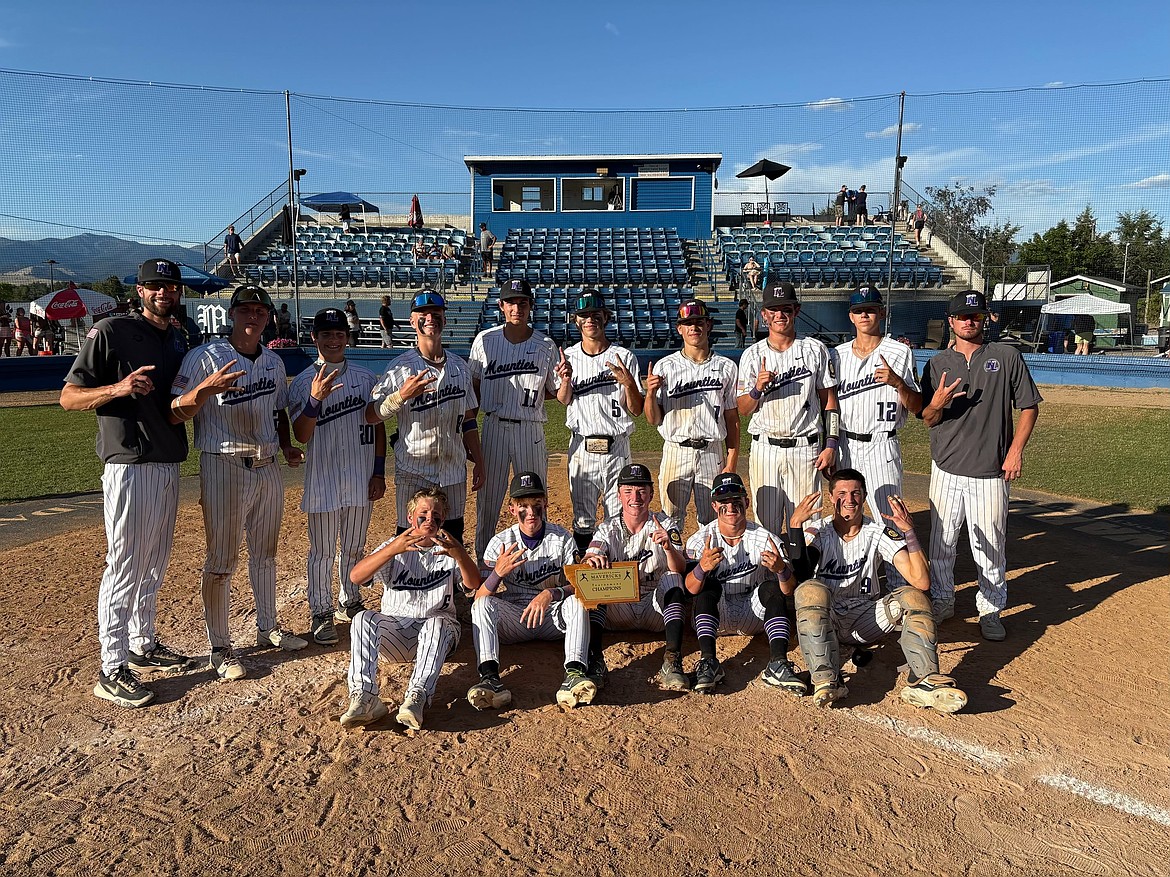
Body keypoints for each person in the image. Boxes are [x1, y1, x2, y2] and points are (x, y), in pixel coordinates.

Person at [59, 258, 197, 708]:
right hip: (129, 465)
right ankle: (111, 666)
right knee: (124, 563)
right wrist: (117, 389)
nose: (164, 293)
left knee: (154, 561)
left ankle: (142, 643)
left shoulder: (177, 337)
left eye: (171, 286)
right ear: (140, 290)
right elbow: (69, 397)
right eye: (155, 285)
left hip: (167, 461)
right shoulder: (113, 332)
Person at [170, 284, 308, 682]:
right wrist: (202, 391)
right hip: (224, 463)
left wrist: (286, 446)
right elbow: (176, 408)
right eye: (245, 310)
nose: (253, 316)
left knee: (266, 553)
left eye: (260, 311)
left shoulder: (273, 362)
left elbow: (279, 410)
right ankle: (220, 646)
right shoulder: (204, 358)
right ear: (232, 314)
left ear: (268, 317)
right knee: (221, 559)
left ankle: (268, 627)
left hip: (267, 465)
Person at [787, 470, 967, 712]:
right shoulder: (818, 531)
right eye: (841, 493)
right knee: (810, 590)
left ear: (864, 497)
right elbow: (800, 578)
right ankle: (827, 680)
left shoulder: (878, 532)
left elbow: (922, 581)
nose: (849, 499)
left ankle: (925, 681)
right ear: (831, 498)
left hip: (865, 619)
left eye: (855, 493)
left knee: (914, 595)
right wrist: (795, 527)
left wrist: (910, 532)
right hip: (825, 618)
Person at [920, 291, 1042, 642]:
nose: (968, 321)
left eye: (975, 316)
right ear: (951, 321)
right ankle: (943, 601)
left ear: (985, 318)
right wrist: (938, 404)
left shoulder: (1006, 356)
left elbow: (1029, 407)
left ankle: (990, 609)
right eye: (962, 316)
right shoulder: (937, 362)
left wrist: (1016, 450)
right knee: (941, 543)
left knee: (989, 544)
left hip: (991, 469)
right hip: (945, 466)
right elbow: (927, 419)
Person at [339, 488, 480, 731]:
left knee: (436, 623)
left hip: (437, 635)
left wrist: (460, 554)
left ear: (442, 520)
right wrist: (392, 549)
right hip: (395, 631)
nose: (429, 519)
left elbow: (474, 584)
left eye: (436, 515)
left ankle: (417, 696)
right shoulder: (394, 547)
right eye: (423, 513)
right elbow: (356, 576)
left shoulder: (448, 547)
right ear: (410, 518)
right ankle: (364, 697)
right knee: (362, 617)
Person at [289, 308, 386, 646]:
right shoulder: (302, 383)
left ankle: (351, 599)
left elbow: (379, 426)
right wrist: (315, 400)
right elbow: (301, 435)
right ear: (314, 337)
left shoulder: (365, 377)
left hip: (361, 476)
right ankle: (320, 611)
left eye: (339, 333)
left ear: (348, 337)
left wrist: (378, 471)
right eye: (326, 334)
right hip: (323, 480)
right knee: (322, 551)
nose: (333, 340)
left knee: (355, 547)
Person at [467, 472, 594, 710]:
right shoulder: (500, 543)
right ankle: (490, 677)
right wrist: (498, 574)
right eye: (523, 505)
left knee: (578, 602)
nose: (531, 512)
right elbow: (479, 597)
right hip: (516, 617)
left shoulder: (562, 538)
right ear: (512, 509)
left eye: (536, 504)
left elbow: (580, 584)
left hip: (552, 616)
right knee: (482, 606)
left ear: (545, 503)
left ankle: (575, 673)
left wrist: (551, 594)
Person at [371, 290, 484, 545]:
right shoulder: (400, 368)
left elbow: (468, 419)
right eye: (423, 314)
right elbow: (371, 415)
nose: (430, 317)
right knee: (409, 537)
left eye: (436, 313)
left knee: (452, 535)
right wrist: (401, 396)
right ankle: (408, 584)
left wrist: (479, 460)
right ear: (412, 321)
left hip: (453, 469)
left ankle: (450, 585)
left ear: (444, 318)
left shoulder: (460, 367)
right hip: (413, 469)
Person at [468, 278, 561, 564]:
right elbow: (473, 389)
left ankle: (539, 562)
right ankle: (484, 566)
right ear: (501, 306)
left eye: (522, 302)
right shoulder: (485, 340)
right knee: (488, 501)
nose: (516, 307)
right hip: (494, 426)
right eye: (511, 302)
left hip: (530, 428)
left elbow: (552, 391)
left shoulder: (545, 344)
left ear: (530, 306)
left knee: (534, 499)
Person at [736, 280, 839, 538]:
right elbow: (743, 408)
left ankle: (807, 578)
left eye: (786, 309)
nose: (780, 315)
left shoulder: (815, 349)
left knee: (809, 525)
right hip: (765, 449)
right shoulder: (752, 354)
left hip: (806, 448)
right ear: (764, 314)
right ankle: (771, 578)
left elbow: (830, 400)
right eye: (773, 310)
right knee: (765, 526)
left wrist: (832, 443)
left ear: (797, 310)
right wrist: (757, 389)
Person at [682, 473, 801, 695]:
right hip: (715, 616)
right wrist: (702, 568)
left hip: (753, 614)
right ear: (714, 505)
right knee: (708, 587)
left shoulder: (766, 539)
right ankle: (708, 662)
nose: (730, 507)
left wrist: (781, 571)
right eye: (724, 502)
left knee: (772, 587)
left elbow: (789, 590)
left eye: (736, 500)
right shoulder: (700, 540)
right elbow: (690, 589)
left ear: (746, 502)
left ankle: (777, 662)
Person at [581, 464, 689, 691]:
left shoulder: (665, 524)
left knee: (673, 579)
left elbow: (680, 568)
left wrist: (669, 548)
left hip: (656, 609)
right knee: (595, 582)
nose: (635, 497)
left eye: (641, 490)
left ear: (650, 494)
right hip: (618, 610)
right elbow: (590, 556)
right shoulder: (607, 528)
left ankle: (672, 661)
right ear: (619, 494)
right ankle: (595, 661)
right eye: (629, 490)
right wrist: (591, 560)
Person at [557, 291, 644, 554]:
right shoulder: (569, 357)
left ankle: (618, 576)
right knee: (583, 518)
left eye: (596, 315)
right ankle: (588, 573)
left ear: (605, 318)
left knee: (618, 517)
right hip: (583, 447)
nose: (590, 320)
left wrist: (629, 383)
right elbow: (563, 400)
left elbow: (637, 410)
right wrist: (564, 381)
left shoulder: (624, 356)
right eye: (584, 316)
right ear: (576, 321)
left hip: (617, 448)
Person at [830, 287, 922, 529]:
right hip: (845, 444)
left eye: (870, 310)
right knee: (845, 516)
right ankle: (850, 566)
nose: (864, 316)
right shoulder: (836, 355)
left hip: (882, 445)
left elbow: (916, 406)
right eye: (858, 311)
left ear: (882, 313)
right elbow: (829, 407)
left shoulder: (899, 352)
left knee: (890, 518)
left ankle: (894, 568)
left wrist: (898, 383)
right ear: (851, 316)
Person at [645, 299, 739, 533]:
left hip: (712, 450)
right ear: (680, 329)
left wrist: (732, 460)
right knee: (671, 518)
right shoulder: (665, 366)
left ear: (708, 325)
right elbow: (653, 419)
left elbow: (732, 418)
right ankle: (674, 569)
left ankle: (708, 568)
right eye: (687, 323)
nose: (693, 327)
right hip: (676, 450)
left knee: (712, 519)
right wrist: (650, 394)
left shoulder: (727, 367)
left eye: (698, 322)